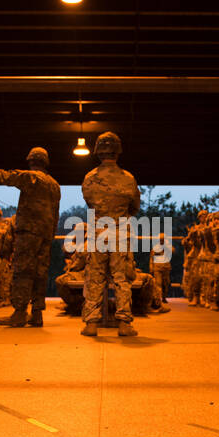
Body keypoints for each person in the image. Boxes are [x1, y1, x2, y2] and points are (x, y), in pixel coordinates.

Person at [0, 146, 62, 327]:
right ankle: (36, 314)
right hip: (45, 234)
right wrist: (50, 234)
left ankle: (19, 313)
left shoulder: (30, 177)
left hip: (28, 232)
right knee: (40, 273)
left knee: (22, 271)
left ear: (31, 161)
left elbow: (3, 175)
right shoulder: (54, 185)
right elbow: (56, 212)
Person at [80, 131, 140, 337]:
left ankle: (91, 324)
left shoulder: (89, 178)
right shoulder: (128, 178)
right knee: (122, 278)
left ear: (97, 151)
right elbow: (134, 206)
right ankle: (124, 324)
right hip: (120, 232)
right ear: (118, 151)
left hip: (98, 231)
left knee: (95, 277)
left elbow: (89, 202)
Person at [149, 233, 173, 313]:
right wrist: (151, 266)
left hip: (166, 267)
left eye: (162, 238)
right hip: (157, 267)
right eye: (160, 238)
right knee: (158, 284)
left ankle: (164, 297)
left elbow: (173, 250)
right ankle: (158, 300)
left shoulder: (168, 246)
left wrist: (166, 245)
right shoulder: (156, 247)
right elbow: (151, 257)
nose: (161, 240)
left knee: (166, 283)